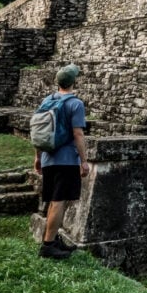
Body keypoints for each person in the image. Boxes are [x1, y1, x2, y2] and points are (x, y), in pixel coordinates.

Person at [34, 63, 90, 259]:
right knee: (59, 201)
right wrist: (84, 161)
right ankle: (48, 245)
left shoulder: (47, 100)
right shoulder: (75, 104)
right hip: (65, 159)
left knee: (53, 201)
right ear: (73, 82)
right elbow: (78, 133)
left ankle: (52, 238)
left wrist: (38, 156)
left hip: (49, 157)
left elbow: (39, 131)